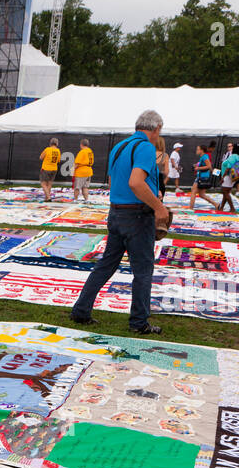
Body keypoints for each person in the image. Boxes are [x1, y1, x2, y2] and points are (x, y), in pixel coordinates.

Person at [70, 109, 168, 335]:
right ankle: (139, 322)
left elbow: (115, 181)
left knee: (106, 264)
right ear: (156, 129)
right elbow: (136, 182)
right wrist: (158, 206)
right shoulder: (145, 147)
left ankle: (81, 310)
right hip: (137, 215)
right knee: (143, 270)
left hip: (116, 212)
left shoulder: (120, 147)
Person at [188, 144, 217, 209]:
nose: (196, 151)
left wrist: (198, 168)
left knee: (193, 191)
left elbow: (209, 166)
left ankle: (190, 208)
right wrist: (197, 165)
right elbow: (205, 165)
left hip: (202, 177)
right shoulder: (203, 157)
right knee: (201, 194)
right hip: (203, 176)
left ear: (202, 150)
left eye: (198, 149)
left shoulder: (204, 157)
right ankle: (216, 204)